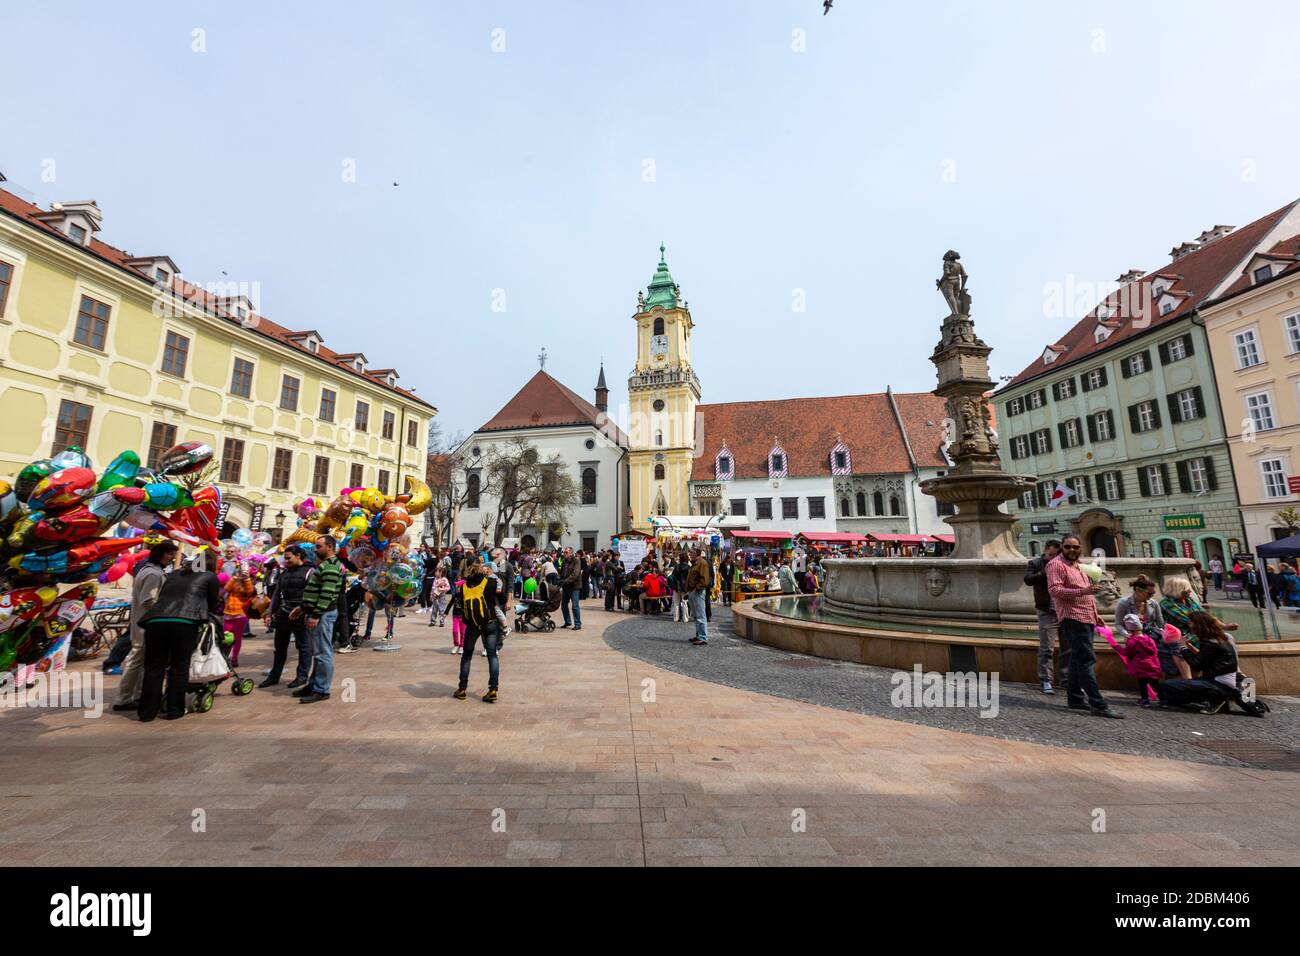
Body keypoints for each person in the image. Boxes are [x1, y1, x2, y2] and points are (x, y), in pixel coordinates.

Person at [137, 550, 223, 722]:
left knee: (154, 666)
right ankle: (174, 709)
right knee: (179, 666)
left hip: (156, 620)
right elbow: (213, 603)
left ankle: (147, 712)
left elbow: (163, 596)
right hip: (185, 621)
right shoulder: (209, 576)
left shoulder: (174, 574)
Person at [1046, 534, 1122, 718]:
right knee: (1087, 660)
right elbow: (1054, 590)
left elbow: (1088, 595)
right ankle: (1098, 704)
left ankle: (1075, 698)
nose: (1072, 550)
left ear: (1080, 548)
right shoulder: (1056, 565)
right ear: (1061, 548)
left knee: (1075, 659)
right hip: (1073, 618)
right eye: (1067, 547)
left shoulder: (1078, 565)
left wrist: (1096, 616)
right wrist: (1083, 591)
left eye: (1075, 547)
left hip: (1086, 616)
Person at [1158, 612, 1266, 716]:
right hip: (1221, 684)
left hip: (1217, 685)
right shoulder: (1218, 639)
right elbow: (1208, 659)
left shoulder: (1210, 643)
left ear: (1199, 624)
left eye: (1191, 622)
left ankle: (1218, 698)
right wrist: (1191, 649)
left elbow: (1197, 665)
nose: (1189, 625)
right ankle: (1217, 700)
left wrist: (1183, 647)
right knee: (1172, 697)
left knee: (1166, 686)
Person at [112, 541, 177, 712]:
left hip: (144, 621)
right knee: (136, 659)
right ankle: (123, 698)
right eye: (169, 554)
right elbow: (148, 600)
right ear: (160, 554)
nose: (172, 558)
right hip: (146, 623)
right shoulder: (153, 574)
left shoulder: (149, 571)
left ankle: (138, 694)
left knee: (142, 660)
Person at [296, 536, 343, 704]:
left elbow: (326, 593)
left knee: (323, 653)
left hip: (323, 615)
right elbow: (316, 591)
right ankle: (314, 684)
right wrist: (303, 607)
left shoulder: (330, 567)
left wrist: (316, 614)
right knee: (318, 652)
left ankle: (322, 690)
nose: (315, 549)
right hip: (318, 613)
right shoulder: (324, 565)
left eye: (318, 546)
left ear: (329, 547)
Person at [261, 545, 314, 688]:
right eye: (285, 558)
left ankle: (302, 677)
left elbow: (313, 595)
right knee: (279, 647)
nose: (286, 561)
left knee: (304, 647)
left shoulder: (310, 571)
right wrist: (270, 613)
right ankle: (274, 676)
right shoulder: (285, 572)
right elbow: (277, 594)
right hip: (284, 614)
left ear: (299, 556)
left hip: (301, 614)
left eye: (289, 558)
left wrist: (308, 612)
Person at [453, 559, 503, 702]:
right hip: (490, 623)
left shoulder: (464, 587)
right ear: (482, 569)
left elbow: (461, 605)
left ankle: (462, 689)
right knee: (492, 655)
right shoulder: (490, 583)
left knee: (467, 656)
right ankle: (493, 689)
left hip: (473, 625)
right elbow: (503, 599)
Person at [1114, 574, 1172, 682]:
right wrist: (1128, 635)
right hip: (1134, 639)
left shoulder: (1153, 603)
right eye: (1149, 593)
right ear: (1138, 590)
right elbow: (1118, 624)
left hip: (1151, 637)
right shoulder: (1124, 603)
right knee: (1142, 663)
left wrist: (1167, 636)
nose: (1151, 596)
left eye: (1153, 593)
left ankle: (1166, 682)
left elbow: (1160, 623)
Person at [1023, 539, 1061, 694]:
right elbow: (1027, 580)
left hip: (1064, 609)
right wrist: (1044, 573)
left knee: (1068, 648)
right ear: (1045, 550)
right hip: (1046, 609)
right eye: (1050, 554)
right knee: (1047, 648)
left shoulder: (1063, 563)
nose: (1052, 558)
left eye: (1056, 555)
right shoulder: (1036, 563)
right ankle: (1046, 680)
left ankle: (1066, 680)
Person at [1099, 613, 1163, 707]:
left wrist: (1115, 645)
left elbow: (1126, 653)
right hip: (1152, 665)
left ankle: (1145, 700)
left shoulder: (1132, 641)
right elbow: (1155, 651)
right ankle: (1163, 699)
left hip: (1140, 667)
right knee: (1155, 683)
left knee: (1142, 684)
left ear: (1129, 629)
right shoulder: (1149, 639)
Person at [221, 566, 255, 668]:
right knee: (226, 638)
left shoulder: (247, 582)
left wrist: (247, 578)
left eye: (243, 570)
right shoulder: (233, 580)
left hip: (241, 614)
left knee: (237, 638)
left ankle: (234, 659)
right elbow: (226, 589)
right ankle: (224, 658)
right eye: (239, 570)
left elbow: (249, 592)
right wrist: (234, 577)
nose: (241, 572)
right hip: (228, 614)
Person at [686, 548, 710, 645]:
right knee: (696, 615)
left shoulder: (702, 563)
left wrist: (697, 588)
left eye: (691, 552)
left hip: (698, 591)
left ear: (697, 554)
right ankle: (699, 635)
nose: (689, 554)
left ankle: (703, 637)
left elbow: (704, 579)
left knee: (700, 615)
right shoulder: (695, 563)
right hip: (693, 591)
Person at [560, 547, 582, 630]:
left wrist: (566, 580)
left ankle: (577, 624)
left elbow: (575, 574)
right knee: (563, 605)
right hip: (566, 587)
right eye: (564, 552)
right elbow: (562, 572)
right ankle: (567, 621)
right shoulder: (564, 561)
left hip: (574, 587)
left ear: (571, 553)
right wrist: (560, 580)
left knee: (575, 606)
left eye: (566, 552)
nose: (564, 554)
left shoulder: (576, 561)